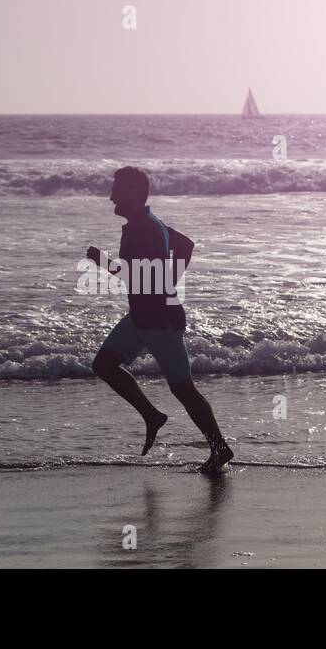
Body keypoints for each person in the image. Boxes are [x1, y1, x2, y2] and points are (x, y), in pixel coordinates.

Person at [85, 166, 234, 474]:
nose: (111, 196)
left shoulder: (146, 229)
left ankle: (220, 448)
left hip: (159, 321)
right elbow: (185, 246)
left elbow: (136, 277)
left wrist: (103, 262)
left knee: (183, 389)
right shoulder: (145, 223)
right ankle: (152, 415)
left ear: (133, 193)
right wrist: (169, 283)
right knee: (104, 365)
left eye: (116, 190)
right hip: (141, 318)